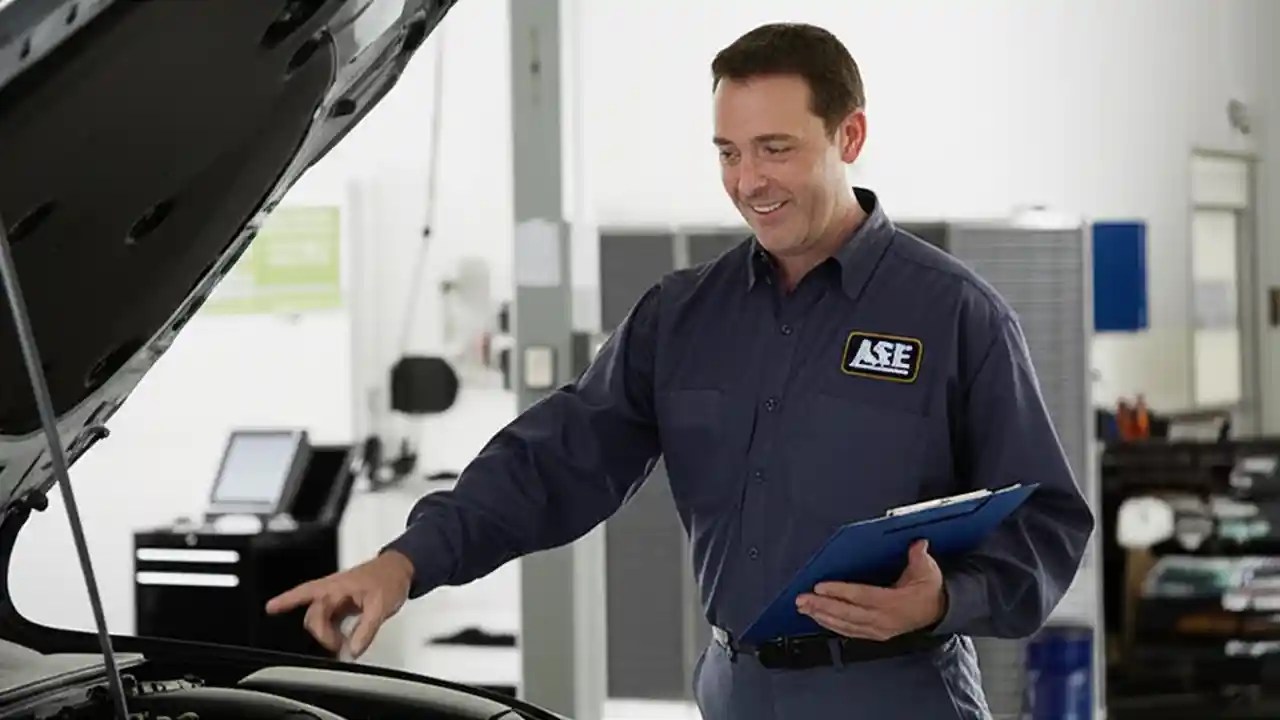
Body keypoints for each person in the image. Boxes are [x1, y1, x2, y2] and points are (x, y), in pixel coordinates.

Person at [266, 21, 1095, 719]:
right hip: (735, 691)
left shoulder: (954, 314)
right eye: (728, 152)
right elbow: (554, 459)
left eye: (775, 149)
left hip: (896, 693)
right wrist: (405, 562)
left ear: (850, 137)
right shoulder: (682, 316)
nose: (748, 182)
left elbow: (1048, 521)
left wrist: (945, 599)